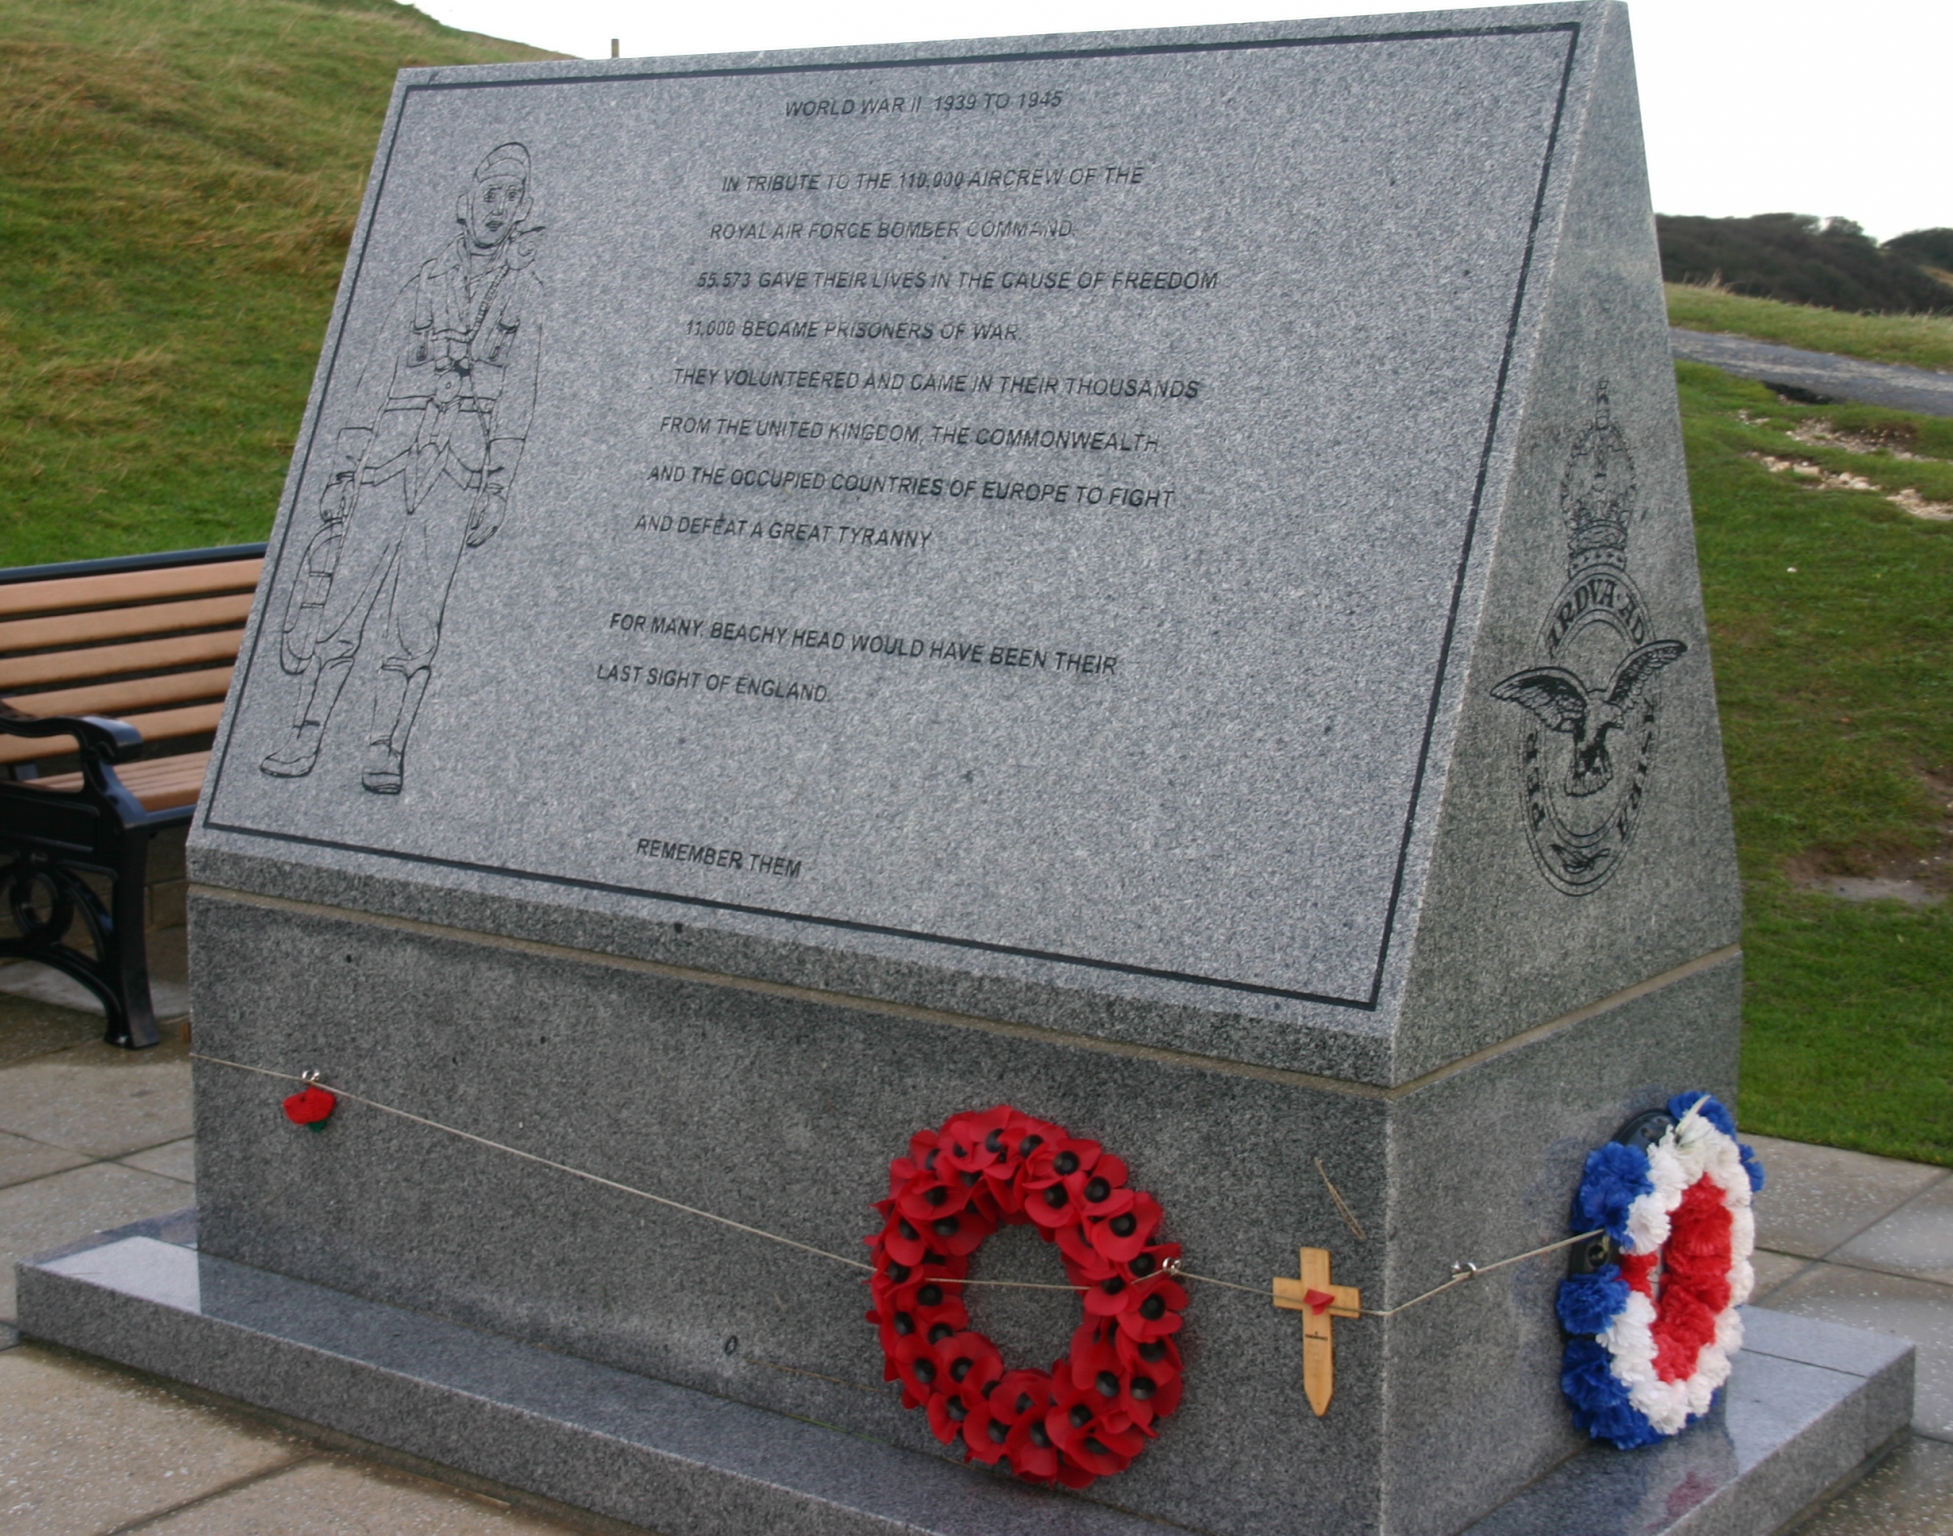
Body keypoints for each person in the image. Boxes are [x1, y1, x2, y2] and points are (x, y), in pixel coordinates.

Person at [263, 141, 543, 793]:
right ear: (466, 201)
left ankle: (386, 748)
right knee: (343, 603)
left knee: (417, 617)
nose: (496, 211)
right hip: (389, 460)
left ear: (521, 210)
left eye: (510, 200)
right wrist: (342, 469)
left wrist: (497, 483)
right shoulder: (425, 279)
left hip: (458, 468)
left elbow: (521, 394)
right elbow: (372, 379)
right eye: (489, 196)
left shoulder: (525, 293)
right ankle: (305, 732)